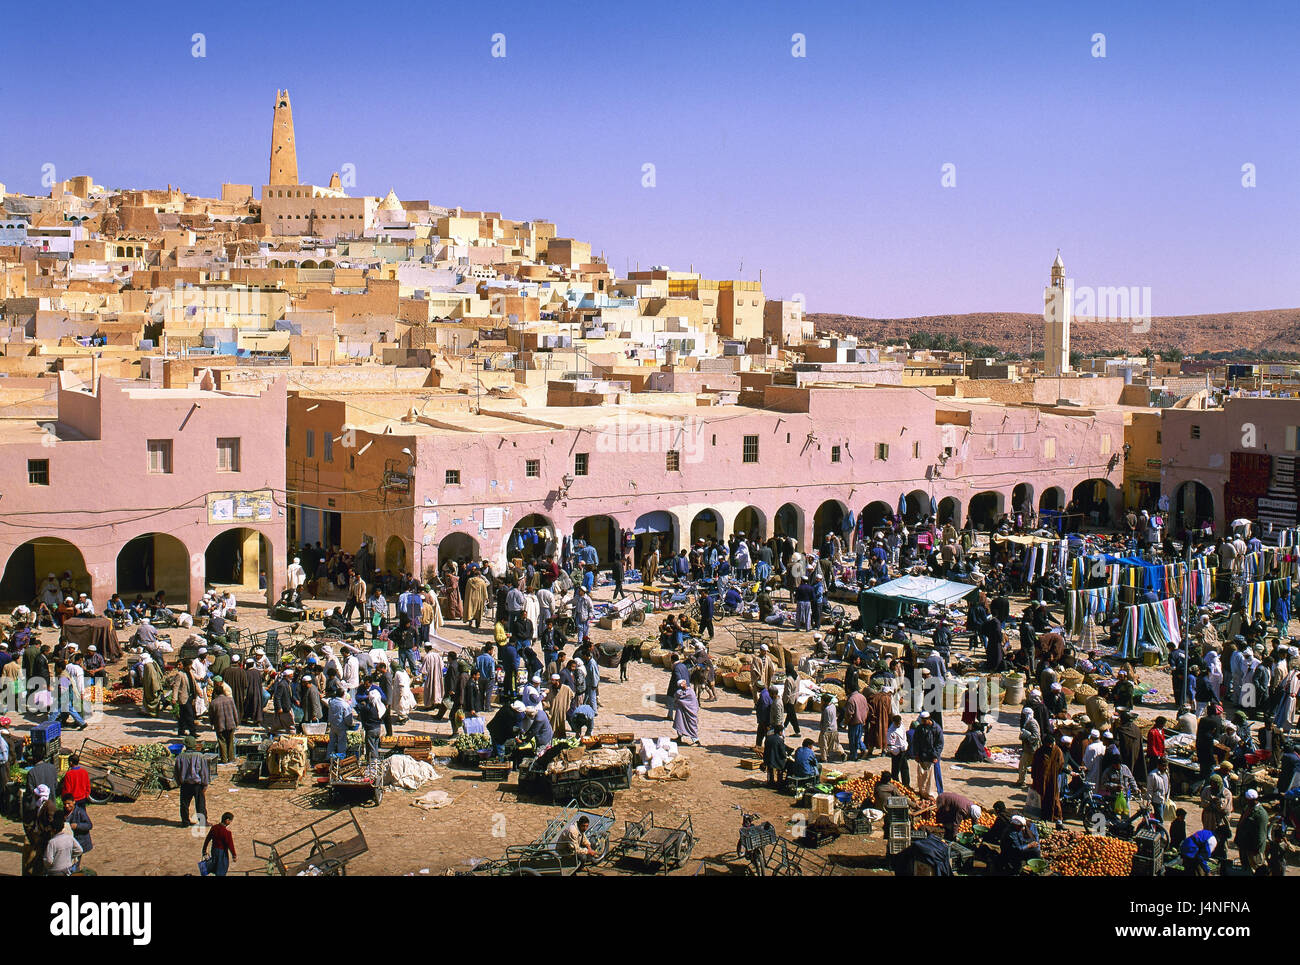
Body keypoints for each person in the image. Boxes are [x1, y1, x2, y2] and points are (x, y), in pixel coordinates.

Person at [173, 736, 211, 828]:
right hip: (197, 785)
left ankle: (185, 822)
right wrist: (205, 784)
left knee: (184, 804)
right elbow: (204, 772)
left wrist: (178, 782)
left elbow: (176, 772)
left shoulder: (179, 757)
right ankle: (202, 822)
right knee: (200, 804)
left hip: (185, 784)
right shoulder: (200, 756)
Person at [202, 812, 238, 876]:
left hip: (214, 850)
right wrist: (234, 855)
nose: (230, 822)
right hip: (222, 853)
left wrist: (204, 850)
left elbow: (207, 839)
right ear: (227, 820)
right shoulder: (227, 833)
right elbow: (230, 845)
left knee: (215, 866)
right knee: (221, 869)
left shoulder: (214, 828)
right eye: (230, 821)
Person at [673, 678, 700, 745]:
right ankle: (679, 737)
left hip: (691, 711)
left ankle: (696, 741)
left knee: (691, 725)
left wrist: (679, 700)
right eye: (682, 683)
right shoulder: (679, 692)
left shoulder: (690, 692)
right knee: (680, 722)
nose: (684, 683)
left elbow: (691, 701)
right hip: (681, 711)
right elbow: (677, 697)